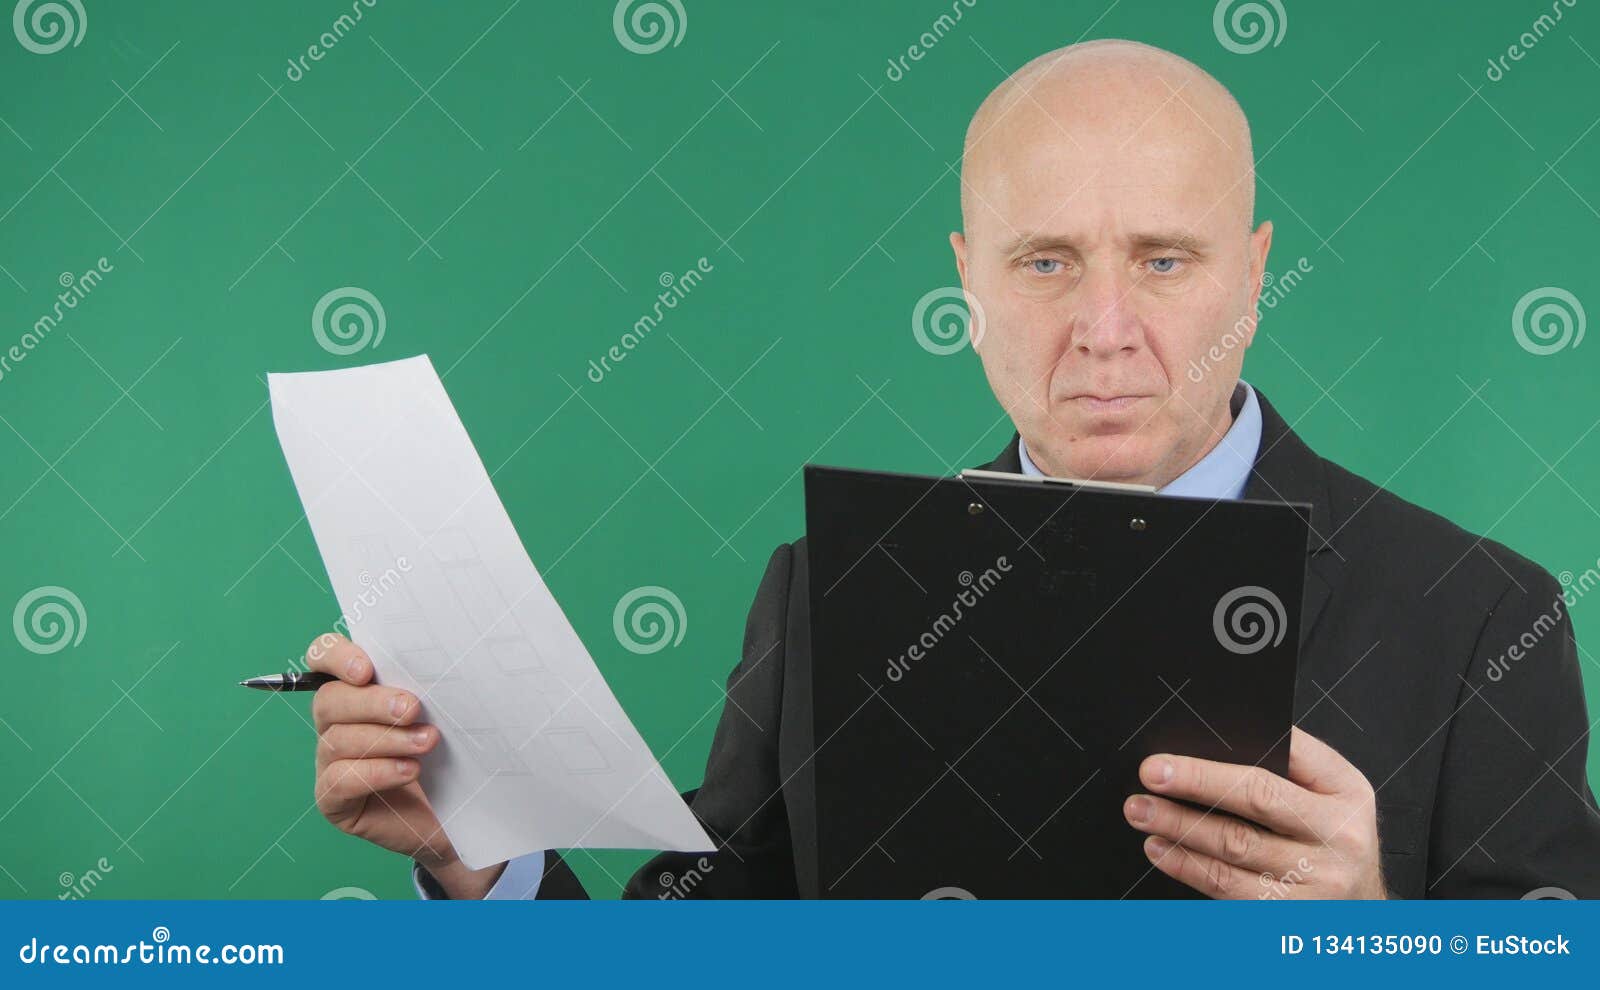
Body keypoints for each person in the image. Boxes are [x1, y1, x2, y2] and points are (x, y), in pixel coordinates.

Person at [305, 39, 1600, 899]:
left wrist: (1371, 946)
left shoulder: (1482, 612)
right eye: (1044, 262)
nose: (1103, 328)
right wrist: (480, 853)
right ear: (966, 280)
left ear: (1253, 276)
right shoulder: (828, 590)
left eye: (1163, 259)